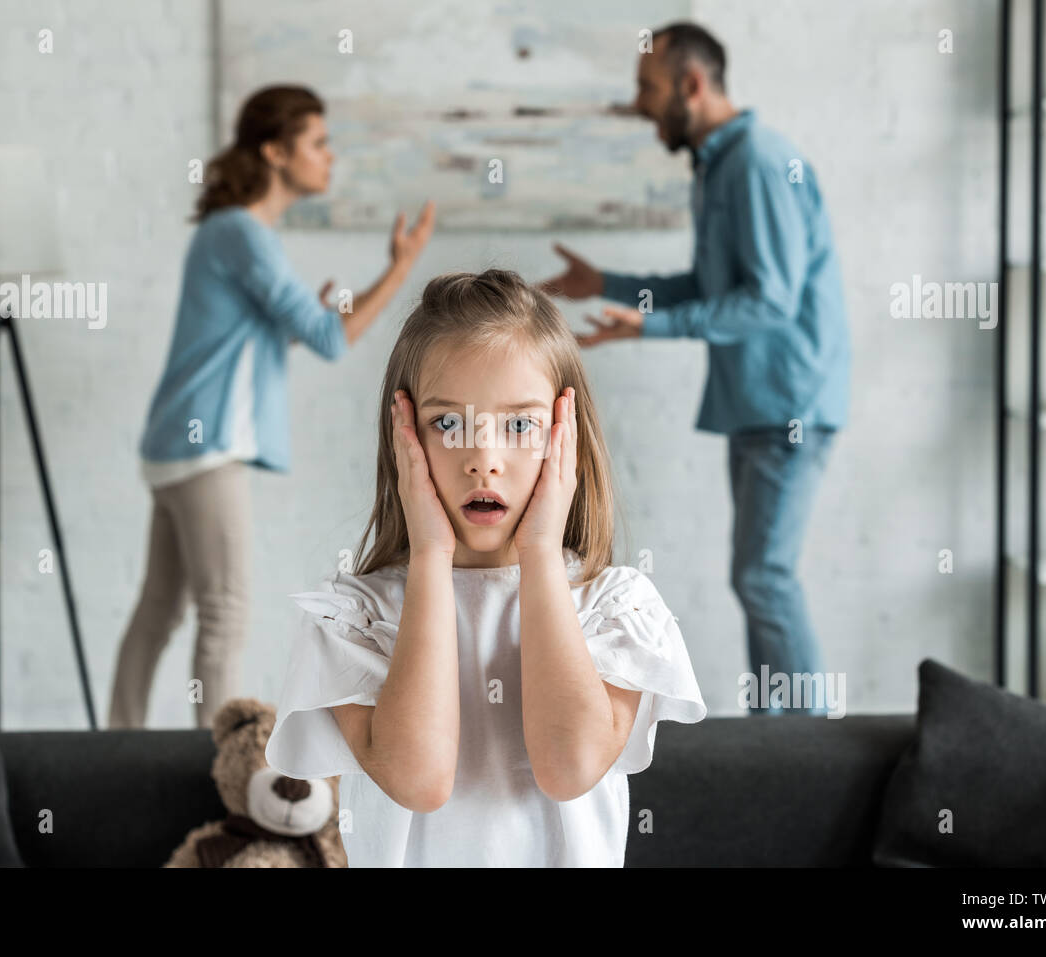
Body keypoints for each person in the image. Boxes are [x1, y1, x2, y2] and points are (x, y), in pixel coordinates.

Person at [264, 270, 707, 866]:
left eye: (519, 425)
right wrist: (430, 556)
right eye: (448, 424)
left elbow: (569, 767)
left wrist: (541, 555)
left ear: (564, 438)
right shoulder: (355, 619)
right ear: (405, 438)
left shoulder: (614, 609)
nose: (483, 460)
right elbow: (419, 780)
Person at [540, 22, 849, 716]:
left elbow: (770, 300)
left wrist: (651, 323)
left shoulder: (758, 164)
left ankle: (801, 746)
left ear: (692, 85)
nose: (639, 104)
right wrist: (610, 284)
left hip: (788, 403)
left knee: (764, 577)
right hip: (760, 402)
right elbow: (714, 287)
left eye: (647, 88)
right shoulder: (719, 164)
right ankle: (787, 735)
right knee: (759, 576)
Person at [108, 85, 435, 729]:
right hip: (205, 448)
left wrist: (301, 320)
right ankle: (220, 763)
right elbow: (329, 339)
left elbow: (266, 336)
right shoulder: (243, 235)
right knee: (225, 610)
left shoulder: (229, 235)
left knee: (161, 610)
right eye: (317, 143)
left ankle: (117, 739)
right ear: (276, 152)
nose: (329, 157)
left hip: (176, 444)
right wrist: (401, 268)